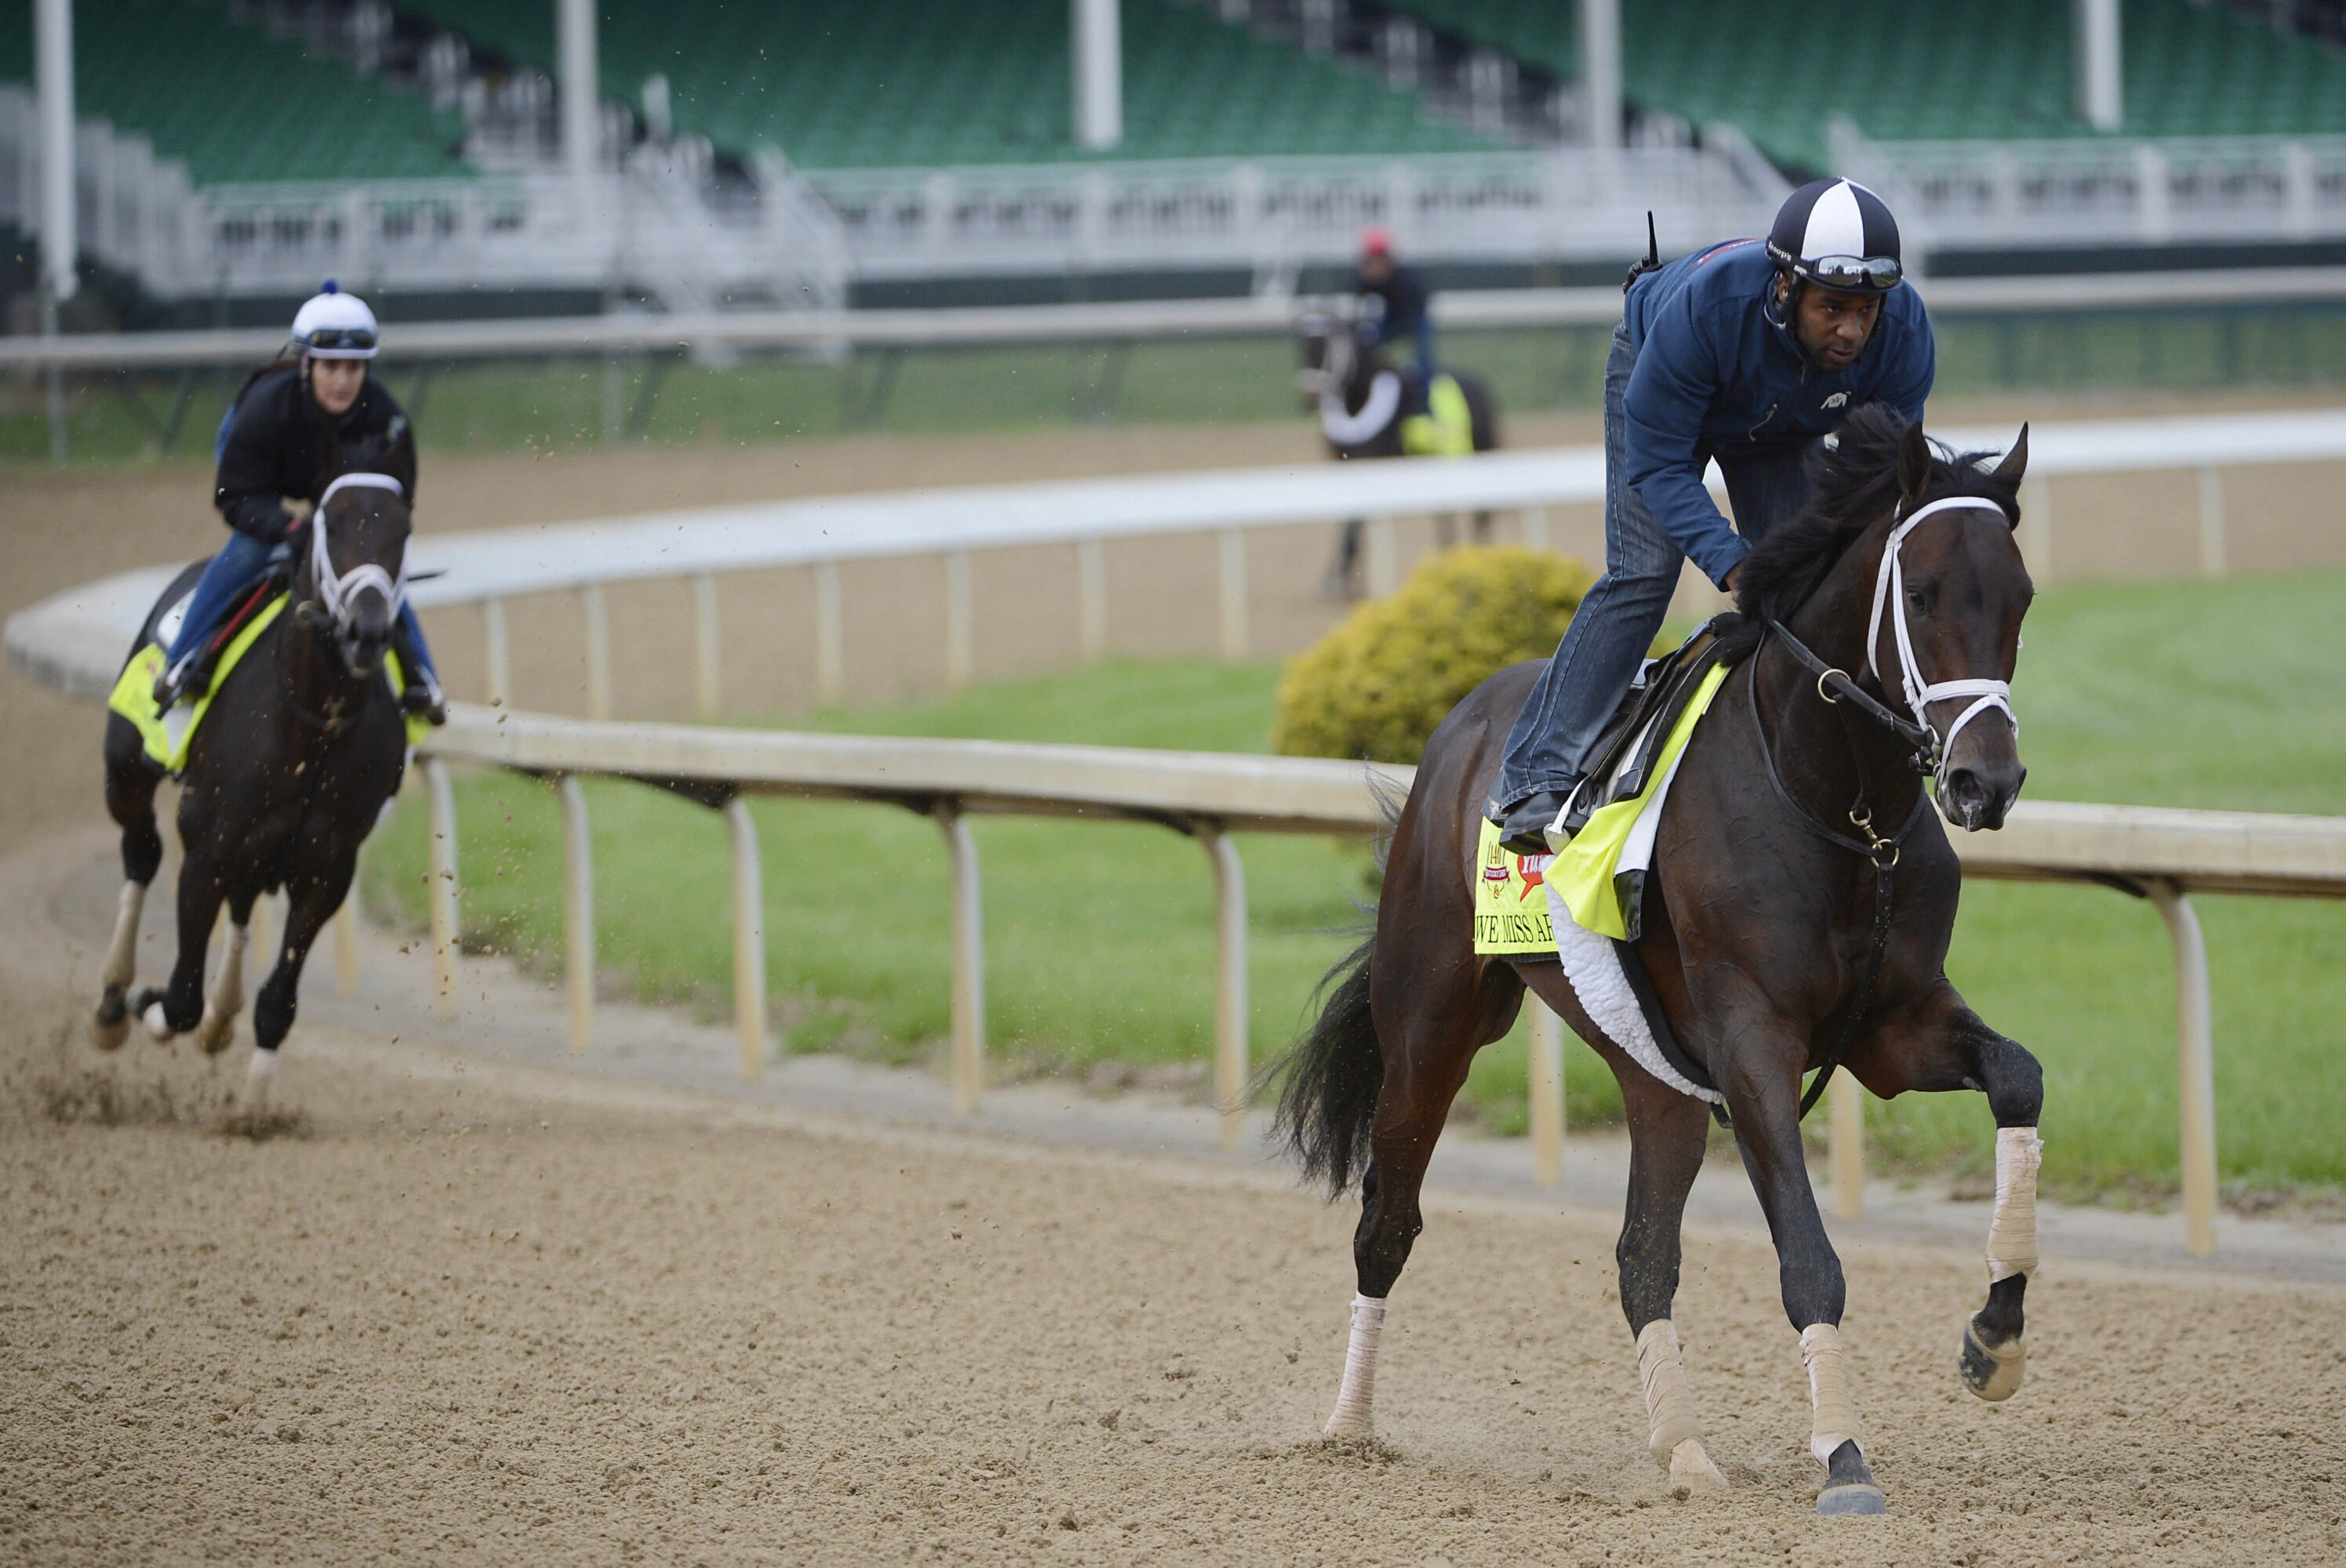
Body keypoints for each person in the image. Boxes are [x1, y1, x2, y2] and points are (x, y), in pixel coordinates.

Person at [1487, 178, 1933, 855]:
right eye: (1833, 307)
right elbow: (1659, 467)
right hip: (1661, 374)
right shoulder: (1709, 307)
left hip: (1778, 425)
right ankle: (1531, 775)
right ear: (1786, 288)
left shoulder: (1902, 334)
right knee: (1643, 574)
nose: (1851, 329)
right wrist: (1731, 562)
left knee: (1810, 586)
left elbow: (1882, 478)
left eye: (1867, 310)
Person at [154, 283, 444, 724]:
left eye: (354, 368)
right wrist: (289, 529)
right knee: (249, 552)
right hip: (260, 475)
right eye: (330, 366)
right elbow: (235, 497)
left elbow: (398, 499)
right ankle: (182, 660)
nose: (343, 381)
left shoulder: (384, 416)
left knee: (369, 571)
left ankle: (425, 680)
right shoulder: (266, 409)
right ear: (306, 364)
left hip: (335, 480)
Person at [1355, 226, 1435, 372]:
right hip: (1392, 316)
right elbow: (1359, 297)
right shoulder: (1367, 278)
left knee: (1424, 356)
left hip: (1415, 316)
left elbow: (1419, 302)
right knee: (1366, 341)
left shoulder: (1405, 278)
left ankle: (1425, 386)